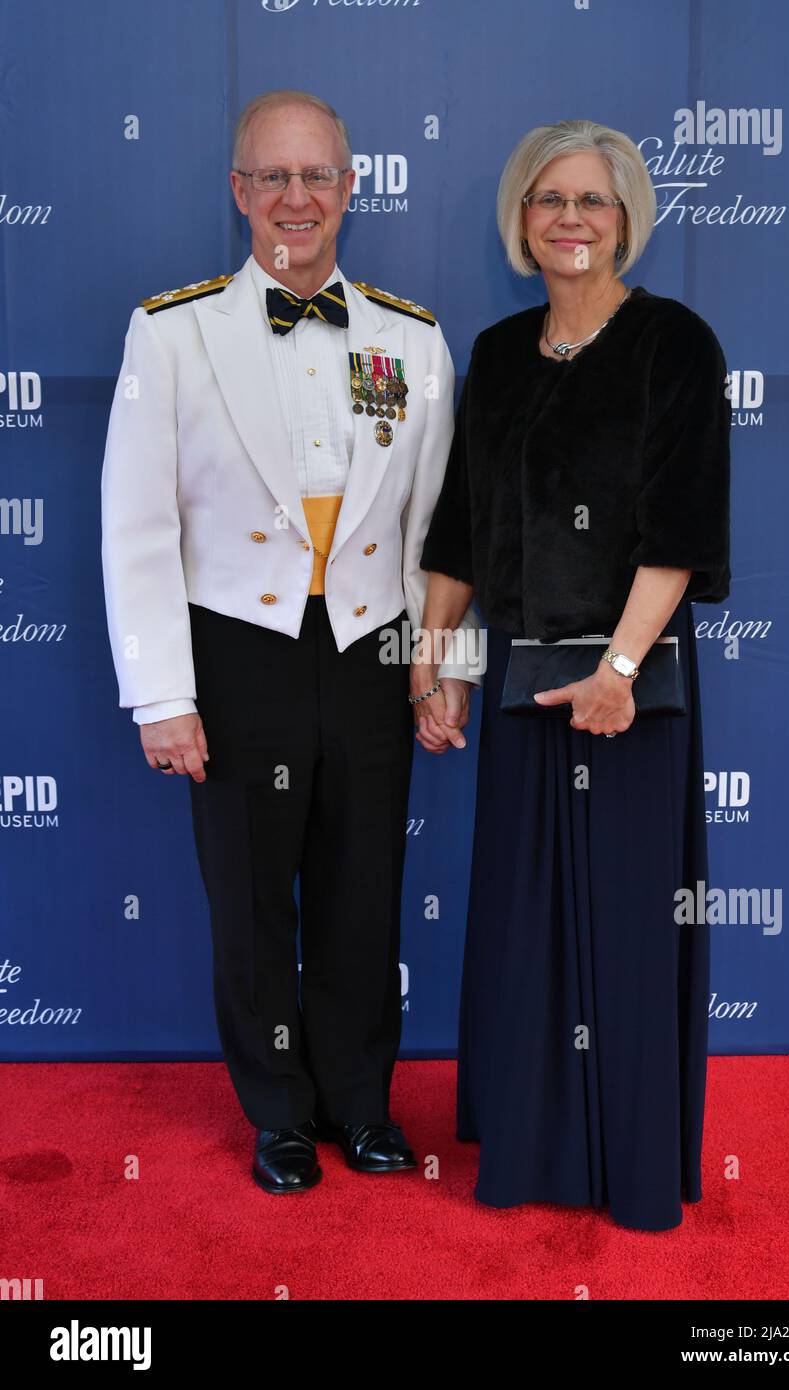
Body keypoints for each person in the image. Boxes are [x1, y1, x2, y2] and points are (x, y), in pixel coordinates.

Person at [100, 88, 479, 1196]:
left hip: (370, 651)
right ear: (239, 192)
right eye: (272, 176)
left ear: (350, 188)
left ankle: (360, 1105)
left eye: (316, 176)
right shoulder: (171, 331)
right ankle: (276, 1114)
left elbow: (442, 531)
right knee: (254, 895)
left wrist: (441, 674)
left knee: (365, 888)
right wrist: (160, 696)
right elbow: (136, 525)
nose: (295, 198)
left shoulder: (411, 340)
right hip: (236, 652)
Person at [413, 119, 731, 1231]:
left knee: (626, 930)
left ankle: (627, 1163)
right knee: (525, 923)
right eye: (549, 200)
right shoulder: (497, 356)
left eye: (591, 201)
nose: (569, 220)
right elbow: (461, 530)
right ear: (519, 221)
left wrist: (619, 669)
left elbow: (681, 528)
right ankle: (535, 1142)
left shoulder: (674, 344)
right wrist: (435, 666)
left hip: (630, 696)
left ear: (626, 219)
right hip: (514, 684)